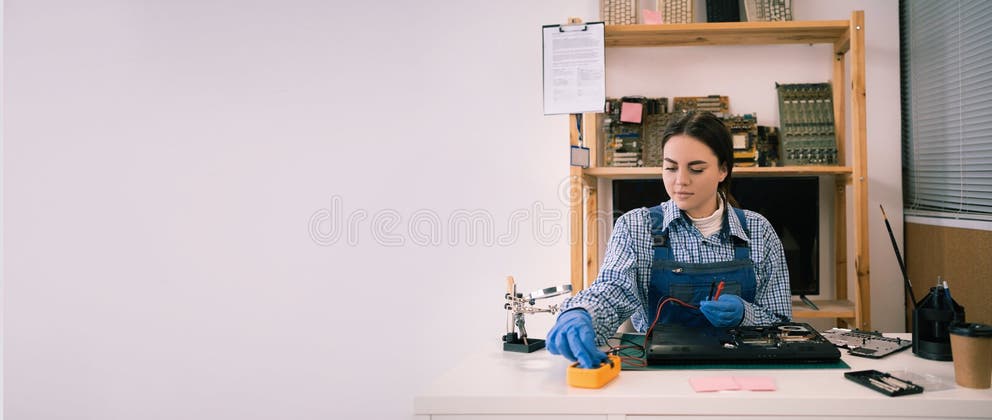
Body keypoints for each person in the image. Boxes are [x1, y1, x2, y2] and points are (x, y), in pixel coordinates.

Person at [547, 111, 792, 368]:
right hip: (659, 372)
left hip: (743, 372)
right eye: (671, 168)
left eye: (696, 169)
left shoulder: (758, 230)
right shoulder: (635, 226)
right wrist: (581, 313)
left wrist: (745, 314)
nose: (680, 181)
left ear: (723, 170)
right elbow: (612, 289)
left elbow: (781, 322)